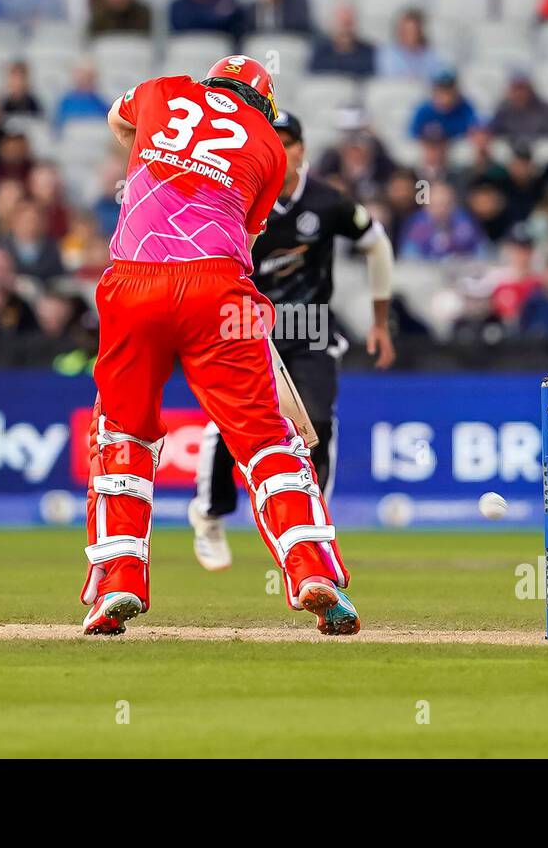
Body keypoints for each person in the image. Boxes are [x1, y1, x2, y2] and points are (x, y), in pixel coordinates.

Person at [87, 54, 359, 636]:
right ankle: (313, 573)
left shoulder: (161, 91)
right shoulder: (269, 147)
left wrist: (154, 151)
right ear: (263, 105)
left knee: (123, 434)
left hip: (134, 281)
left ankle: (117, 584)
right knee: (265, 439)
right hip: (220, 291)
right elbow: (249, 234)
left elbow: (118, 122)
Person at [189, 111, 395, 571]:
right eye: (271, 141)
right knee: (231, 426)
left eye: (289, 142)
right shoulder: (235, 198)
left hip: (311, 330)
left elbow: (376, 243)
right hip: (242, 325)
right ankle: (210, 514)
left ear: (302, 149)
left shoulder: (326, 202)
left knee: (316, 424)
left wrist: (379, 320)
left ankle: (310, 532)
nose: (280, 151)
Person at [377, 9, 446, 81]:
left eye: (412, 31)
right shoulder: (387, 53)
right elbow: (391, 80)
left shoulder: (431, 54)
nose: (407, 35)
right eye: (404, 31)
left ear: (420, 32)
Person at [308, 3, 375, 77]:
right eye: (342, 23)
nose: (345, 29)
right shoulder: (320, 51)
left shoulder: (367, 51)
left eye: (348, 23)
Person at [409, 69, 477, 139]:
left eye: (448, 90)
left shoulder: (465, 108)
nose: (445, 95)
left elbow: (472, 133)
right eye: (440, 90)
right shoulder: (424, 110)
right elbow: (412, 135)